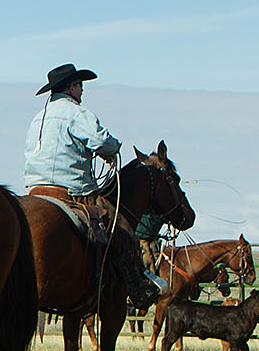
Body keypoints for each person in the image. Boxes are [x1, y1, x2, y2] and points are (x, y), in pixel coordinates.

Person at [23, 64, 163, 309]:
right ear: (71, 87)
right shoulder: (76, 113)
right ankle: (137, 288)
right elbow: (101, 141)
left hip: (35, 188)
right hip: (71, 190)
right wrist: (115, 147)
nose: (82, 91)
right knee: (122, 228)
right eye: (80, 85)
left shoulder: (39, 117)